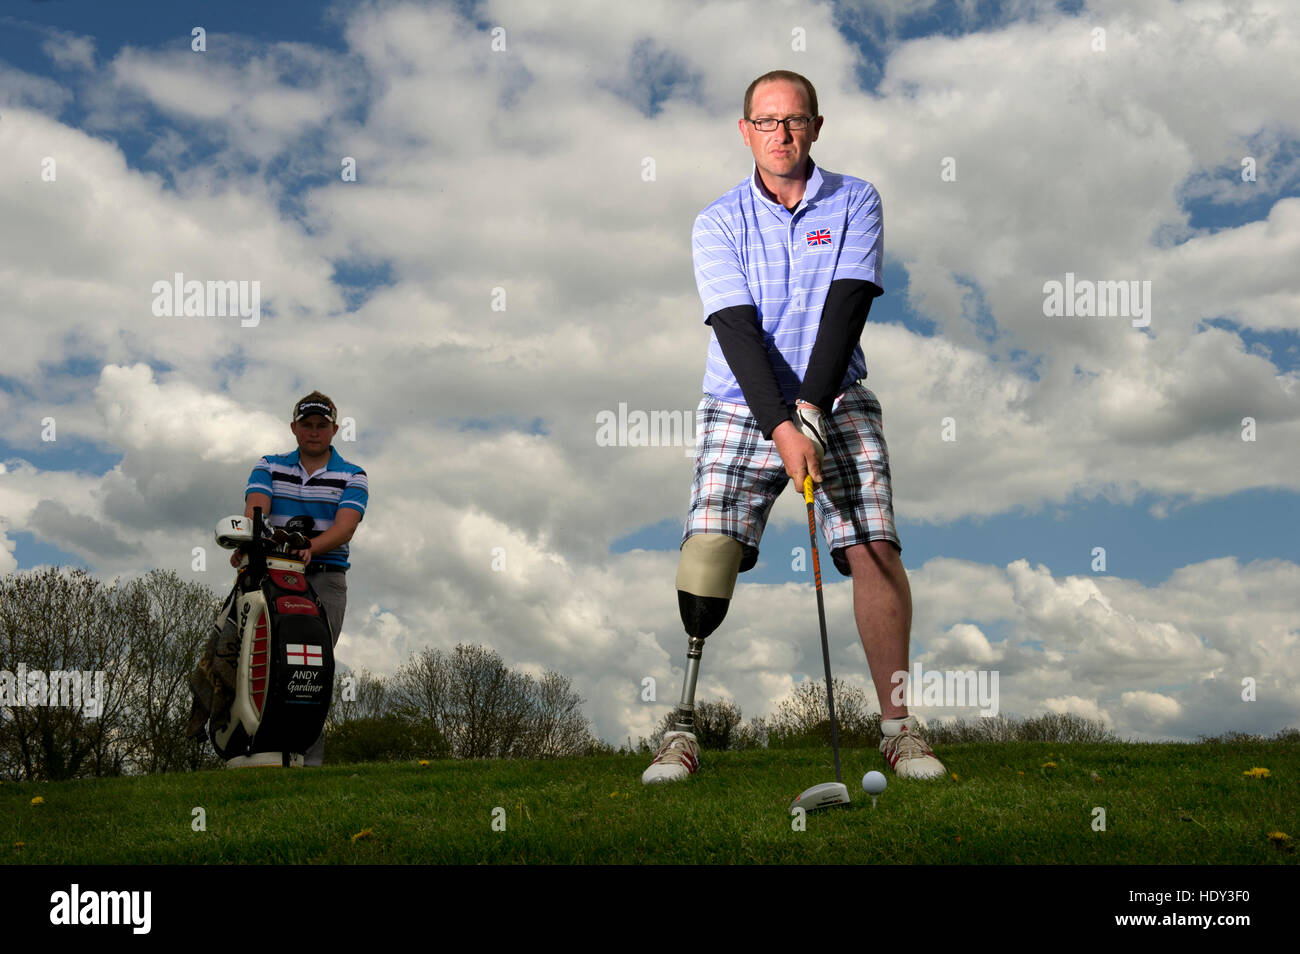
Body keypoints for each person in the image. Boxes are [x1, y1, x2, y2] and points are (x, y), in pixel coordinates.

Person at [643, 70, 946, 784]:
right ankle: (682, 728)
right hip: (740, 403)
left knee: (873, 544)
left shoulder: (855, 199)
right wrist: (780, 425)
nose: (781, 134)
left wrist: (809, 413)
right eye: (766, 121)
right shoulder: (717, 220)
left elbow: (847, 306)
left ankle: (899, 730)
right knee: (708, 554)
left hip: (836, 397)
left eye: (795, 120)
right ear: (744, 130)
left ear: (815, 126)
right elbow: (735, 330)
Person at [236, 391, 368, 766]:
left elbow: (344, 529)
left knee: (308, 667)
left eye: (321, 426)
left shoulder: (353, 475)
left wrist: (311, 546)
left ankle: (307, 763)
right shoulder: (269, 465)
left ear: (334, 430)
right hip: (269, 574)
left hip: (325, 579)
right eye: (306, 425)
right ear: (294, 428)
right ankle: (243, 750)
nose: (313, 432)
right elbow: (256, 509)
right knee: (237, 651)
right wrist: (251, 537)